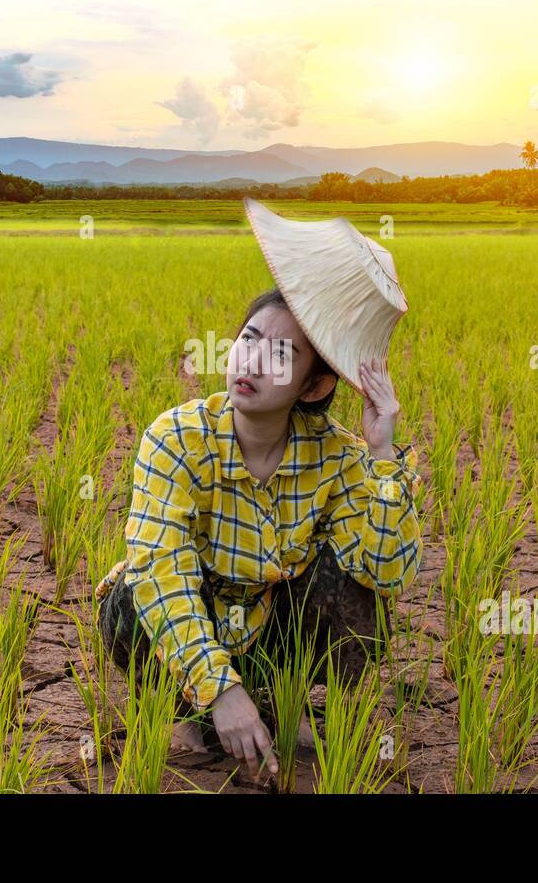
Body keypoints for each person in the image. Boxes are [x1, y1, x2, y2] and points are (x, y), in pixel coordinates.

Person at [94, 287, 422, 781]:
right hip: (196, 621)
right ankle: (186, 717)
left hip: (267, 624)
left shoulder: (337, 456)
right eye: (248, 340)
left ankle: (281, 706)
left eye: (282, 355)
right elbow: (161, 572)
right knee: (127, 598)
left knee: (355, 589)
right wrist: (219, 691)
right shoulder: (177, 437)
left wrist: (380, 455)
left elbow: (388, 572)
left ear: (313, 388)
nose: (252, 362)